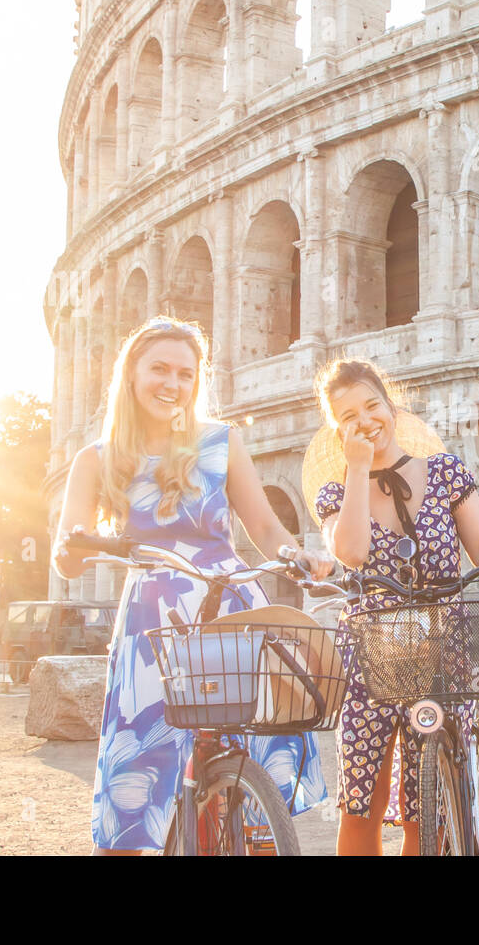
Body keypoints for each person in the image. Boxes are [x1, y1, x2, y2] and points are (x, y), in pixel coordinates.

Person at [52, 316, 335, 855]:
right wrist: (71, 549)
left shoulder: (222, 441)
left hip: (226, 602)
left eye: (186, 373)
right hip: (150, 619)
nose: (173, 384)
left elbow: (266, 527)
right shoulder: (96, 458)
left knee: (250, 765)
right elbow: (67, 557)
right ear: (131, 375)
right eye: (159, 369)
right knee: (135, 773)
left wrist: (298, 555)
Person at [305, 358, 479, 855]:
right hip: (371, 651)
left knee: (427, 805)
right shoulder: (336, 493)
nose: (365, 420)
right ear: (337, 428)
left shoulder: (444, 473)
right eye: (348, 415)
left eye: (372, 405)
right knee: (361, 803)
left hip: (442, 643)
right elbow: (350, 552)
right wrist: (356, 468)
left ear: (390, 405)